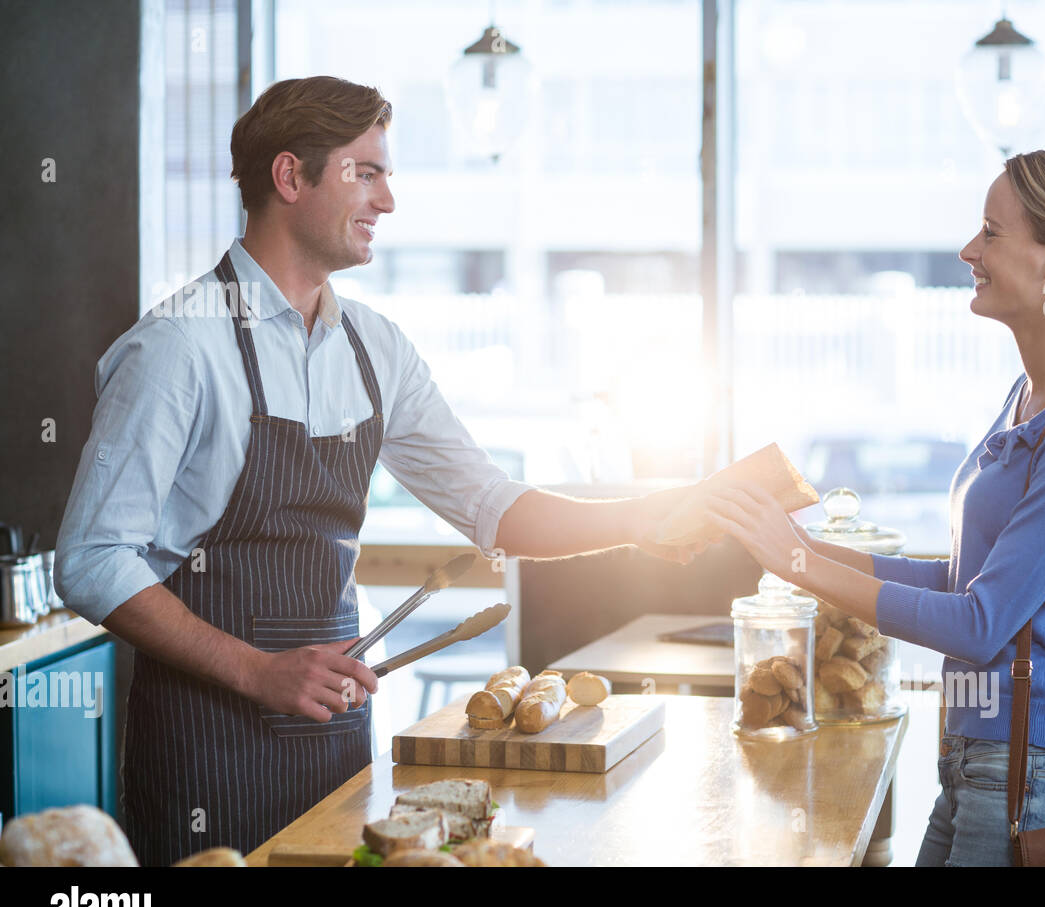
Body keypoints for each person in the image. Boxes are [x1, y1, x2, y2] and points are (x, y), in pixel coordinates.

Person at [54, 76, 708, 866]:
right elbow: (91, 561)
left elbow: (494, 507)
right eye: (366, 172)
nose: (388, 200)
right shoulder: (176, 349)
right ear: (290, 177)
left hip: (336, 747)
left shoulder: (375, 349)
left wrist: (646, 518)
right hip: (206, 750)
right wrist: (259, 671)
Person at [704, 146, 1045, 866]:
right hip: (987, 767)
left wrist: (800, 560)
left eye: (993, 234)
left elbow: (980, 624)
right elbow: (958, 583)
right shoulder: (1028, 400)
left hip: (1041, 781)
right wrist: (782, 545)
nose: (970, 250)